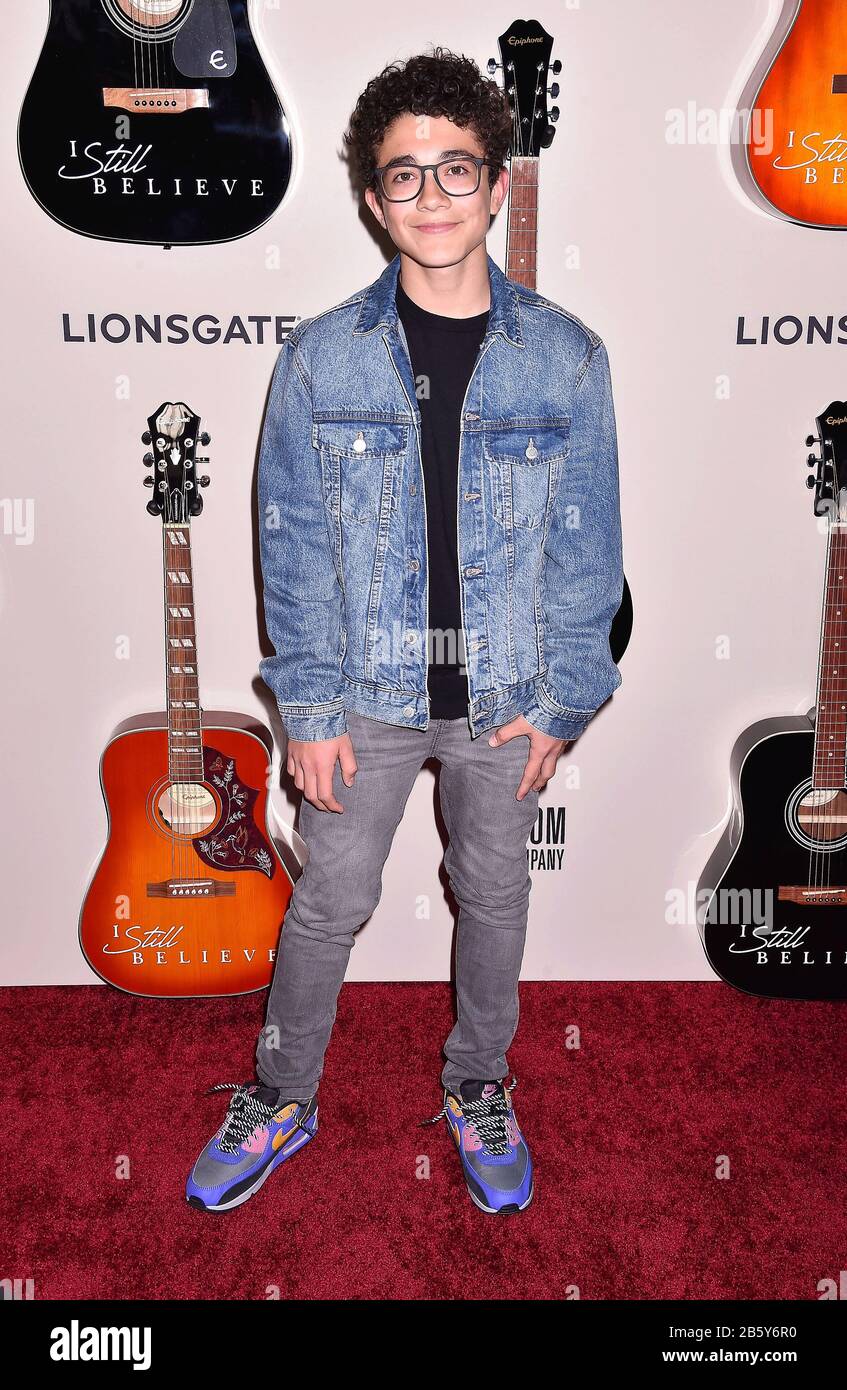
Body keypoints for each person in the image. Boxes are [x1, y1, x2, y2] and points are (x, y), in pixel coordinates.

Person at [186, 46, 623, 1216]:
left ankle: (479, 1085)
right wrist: (311, 711)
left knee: (495, 895)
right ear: (373, 200)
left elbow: (588, 554)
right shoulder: (321, 356)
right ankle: (281, 1092)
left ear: (497, 185)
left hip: (505, 697)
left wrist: (562, 699)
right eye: (404, 176)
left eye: (454, 170)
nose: (431, 197)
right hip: (365, 698)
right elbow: (293, 547)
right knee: (327, 903)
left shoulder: (570, 358)